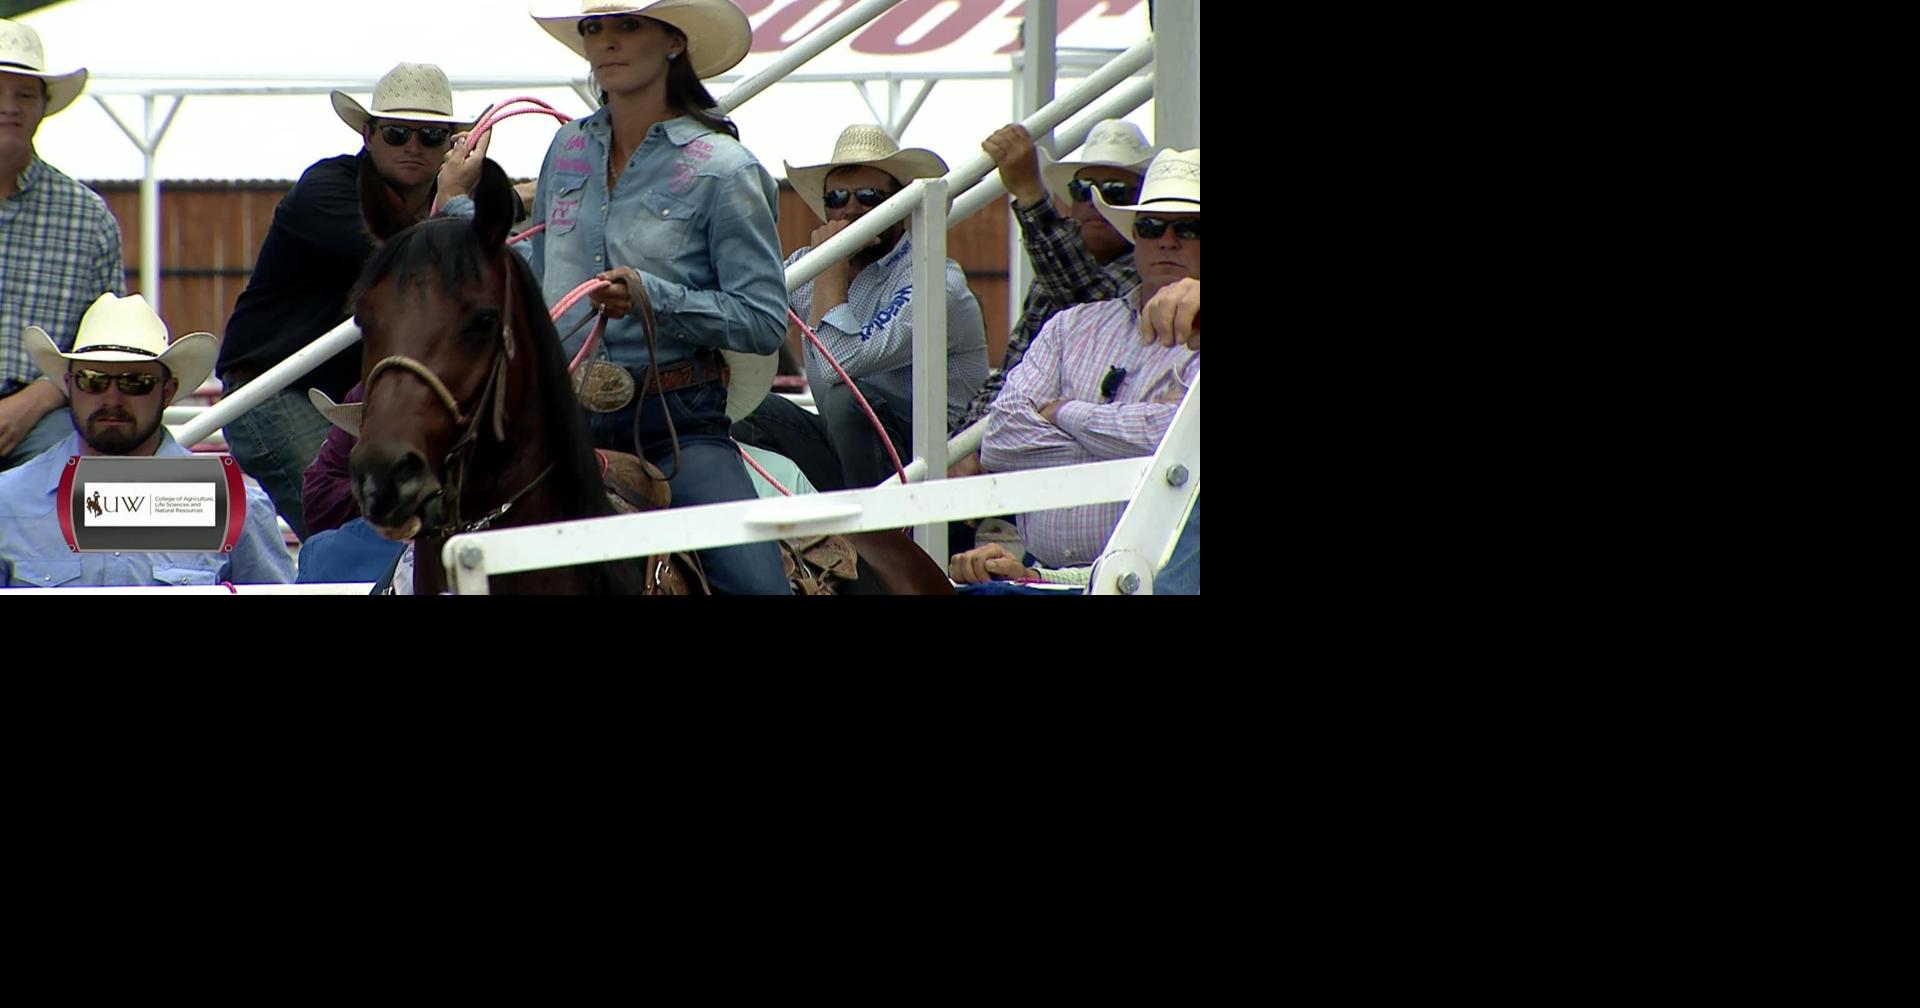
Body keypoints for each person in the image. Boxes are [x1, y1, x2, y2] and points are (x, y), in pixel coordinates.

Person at [436, 0, 792, 594]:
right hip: (561, 418)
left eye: (629, 26)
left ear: (675, 42)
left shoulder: (726, 170)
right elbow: (537, 272)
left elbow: (761, 320)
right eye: (594, 28)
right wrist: (455, 206)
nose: (607, 42)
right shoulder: (566, 150)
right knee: (435, 555)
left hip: (679, 421)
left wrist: (654, 297)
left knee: (756, 587)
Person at [215, 61, 478, 541]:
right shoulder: (328, 189)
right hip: (274, 390)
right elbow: (416, 259)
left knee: (401, 522)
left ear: (451, 146)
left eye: (431, 136)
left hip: (362, 402)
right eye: (397, 133)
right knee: (356, 525)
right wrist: (467, 200)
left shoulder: (447, 209)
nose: (413, 147)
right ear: (368, 134)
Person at [731, 123, 988, 492]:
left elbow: (841, 367)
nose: (850, 209)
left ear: (900, 208)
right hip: (856, 453)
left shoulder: (935, 281)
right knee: (736, 404)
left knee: (843, 396)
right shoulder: (809, 264)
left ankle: (870, 537)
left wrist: (830, 267)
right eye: (836, 198)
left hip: (936, 465)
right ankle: (828, 529)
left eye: (868, 196)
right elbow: (746, 310)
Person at [980, 148, 1200, 570]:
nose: (1166, 240)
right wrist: (1120, 437)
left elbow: (1175, 442)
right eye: (1151, 226)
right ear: (1135, 236)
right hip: (1043, 571)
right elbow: (1000, 440)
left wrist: (1062, 411)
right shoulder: (1070, 325)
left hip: (1152, 576)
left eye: (1188, 228)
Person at [0, 293, 293, 587]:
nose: (111, 398)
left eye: (135, 383)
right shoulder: (8, 503)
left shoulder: (236, 508)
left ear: (167, 391)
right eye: (92, 380)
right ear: (69, 386)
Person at [950, 119, 1156, 476]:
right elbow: (1010, 374)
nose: (1095, 201)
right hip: (1024, 454)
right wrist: (964, 441)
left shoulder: (1148, 278)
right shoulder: (1053, 277)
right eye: (1082, 189)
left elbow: (1089, 302)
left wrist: (1031, 195)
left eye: (1115, 193)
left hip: (1065, 469)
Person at [0, 19, 126, 472]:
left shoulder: (87, 217)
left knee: (85, 467)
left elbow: (110, 345)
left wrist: (37, 398)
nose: (9, 107)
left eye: (24, 94)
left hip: (46, 420)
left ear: (43, 106)